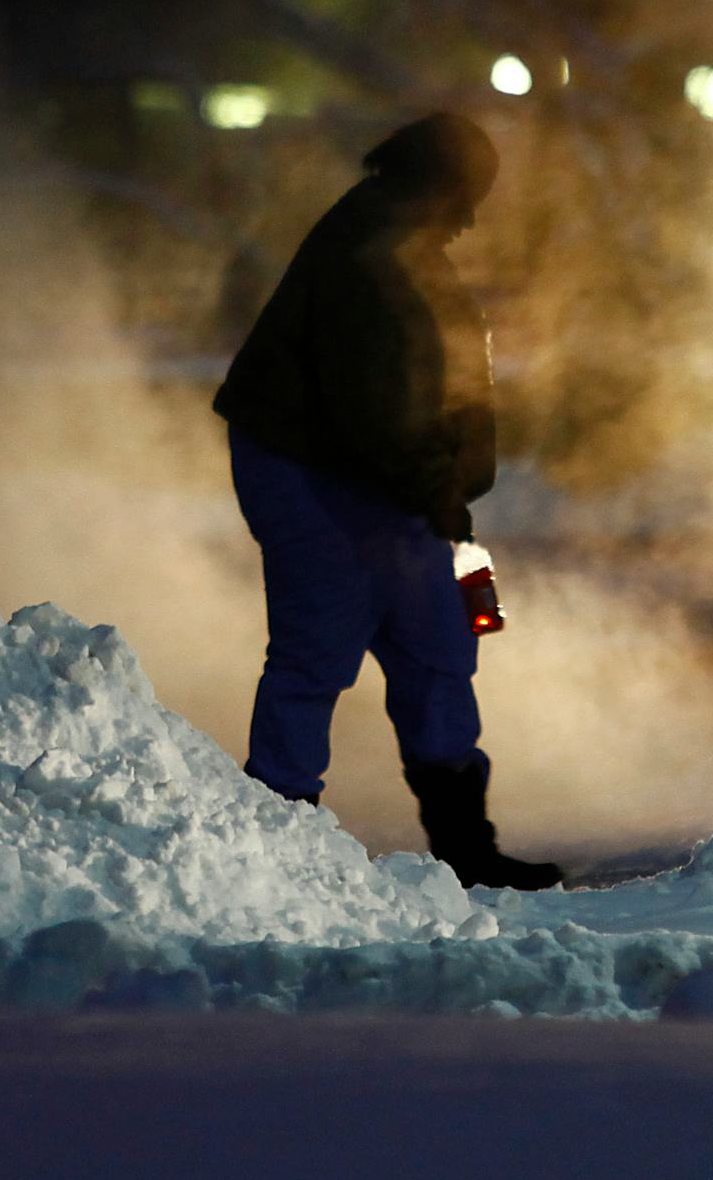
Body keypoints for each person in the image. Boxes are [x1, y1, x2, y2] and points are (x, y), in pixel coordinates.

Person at [212, 114, 562, 890]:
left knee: (437, 641)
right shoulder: (364, 258)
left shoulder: (406, 248)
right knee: (317, 646)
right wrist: (440, 495)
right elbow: (377, 411)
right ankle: (278, 845)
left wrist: (454, 487)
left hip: (385, 479)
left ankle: (467, 846)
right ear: (436, 185)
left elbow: (431, 392)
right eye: (467, 200)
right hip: (308, 471)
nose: (471, 220)